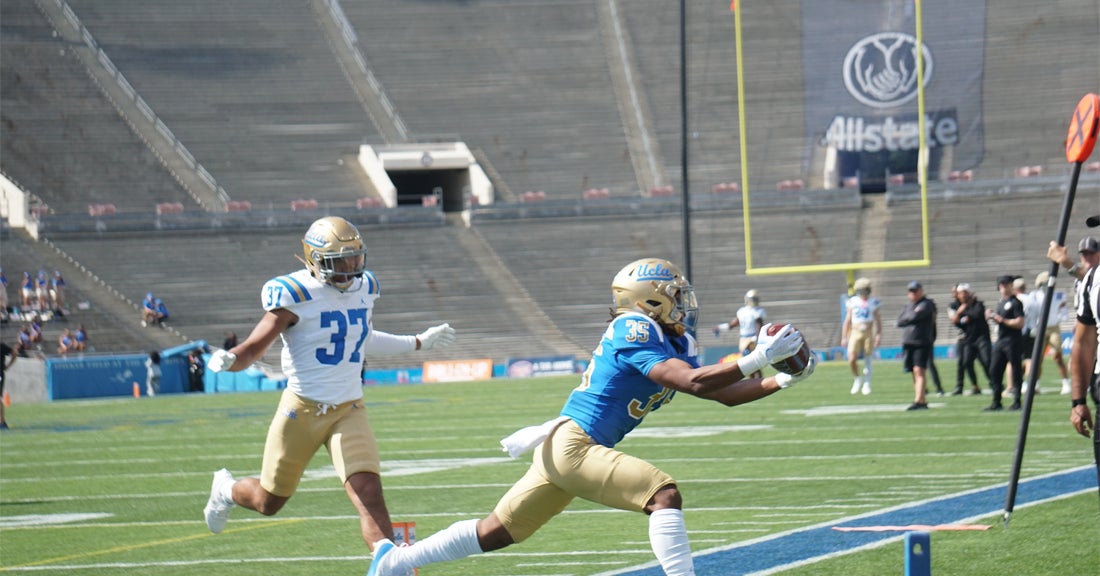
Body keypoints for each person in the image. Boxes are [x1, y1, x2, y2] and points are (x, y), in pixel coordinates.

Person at [368, 258, 815, 576]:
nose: (684, 303)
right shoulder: (633, 328)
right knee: (664, 495)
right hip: (574, 445)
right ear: (650, 302)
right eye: (676, 296)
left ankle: (395, 563)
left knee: (497, 532)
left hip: (563, 447)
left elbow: (725, 395)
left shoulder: (668, 340)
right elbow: (695, 382)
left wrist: (783, 380)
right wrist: (758, 357)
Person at [199, 216, 457, 565]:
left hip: (349, 408)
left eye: (354, 259)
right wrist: (232, 359)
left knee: (370, 494)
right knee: (268, 501)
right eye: (340, 262)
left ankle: (390, 564)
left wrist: (415, 343)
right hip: (301, 409)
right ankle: (226, 490)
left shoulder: (364, 288)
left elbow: (361, 337)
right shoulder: (295, 294)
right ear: (314, 260)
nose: (349, 270)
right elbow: (256, 345)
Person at [1047, 237, 1099, 483]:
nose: (1087, 257)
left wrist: (1065, 262)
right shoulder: (1091, 281)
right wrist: (1078, 400)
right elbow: (1083, 342)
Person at [1025, 271, 1071, 395]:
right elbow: (1030, 313)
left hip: (1053, 327)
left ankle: (1066, 382)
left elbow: (1063, 309)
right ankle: (1035, 384)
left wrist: (1063, 315)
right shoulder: (1034, 296)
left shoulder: (1058, 295)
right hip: (1040, 328)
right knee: (1037, 359)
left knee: (1058, 356)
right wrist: (1032, 326)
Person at [984, 275, 1026, 411]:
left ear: (1010, 285)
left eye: (1006, 284)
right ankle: (996, 401)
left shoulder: (1015, 302)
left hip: (1012, 341)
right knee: (994, 370)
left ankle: (1017, 401)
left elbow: (1020, 323)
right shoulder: (1001, 302)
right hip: (1001, 341)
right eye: (1001, 285)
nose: (1003, 287)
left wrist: (1001, 320)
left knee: (1016, 370)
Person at [897, 281, 936, 410]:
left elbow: (914, 316)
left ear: (921, 291)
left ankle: (918, 400)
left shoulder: (927, 304)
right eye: (911, 291)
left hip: (921, 341)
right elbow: (900, 320)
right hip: (908, 341)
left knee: (919, 370)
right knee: (913, 372)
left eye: (915, 291)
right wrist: (909, 317)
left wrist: (909, 318)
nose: (912, 293)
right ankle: (921, 400)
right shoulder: (908, 306)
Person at [712, 289, 767, 378]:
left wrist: (756, 339)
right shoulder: (752, 311)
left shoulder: (745, 311)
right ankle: (754, 384)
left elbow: (732, 325)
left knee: (753, 364)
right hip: (746, 339)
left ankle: (757, 384)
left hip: (750, 340)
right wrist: (719, 327)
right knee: (751, 364)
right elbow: (733, 325)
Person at [841, 277, 881, 395]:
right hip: (855, 331)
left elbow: (878, 320)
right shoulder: (853, 301)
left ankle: (867, 383)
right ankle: (857, 379)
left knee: (868, 359)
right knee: (852, 359)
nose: (862, 293)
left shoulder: (873, 302)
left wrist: (878, 334)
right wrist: (844, 337)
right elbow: (848, 320)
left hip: (868, 332)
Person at [949, 283, 990, 395]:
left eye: (964, 293)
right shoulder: (955, 306)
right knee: (965, 362)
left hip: (981, 337)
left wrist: (965, 315)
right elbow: (955, 321)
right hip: (967, 339)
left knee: (986, 361)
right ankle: (973, 385)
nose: (962, 295)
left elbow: (975, 315)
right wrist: (962, 311)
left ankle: (993, 381)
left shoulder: (978, 304)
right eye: (960, 293)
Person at [0, 340, 16, 429]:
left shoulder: (1, 346)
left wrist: (8, 366)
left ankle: (1, 422)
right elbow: (14, 353)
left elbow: (14, 353)